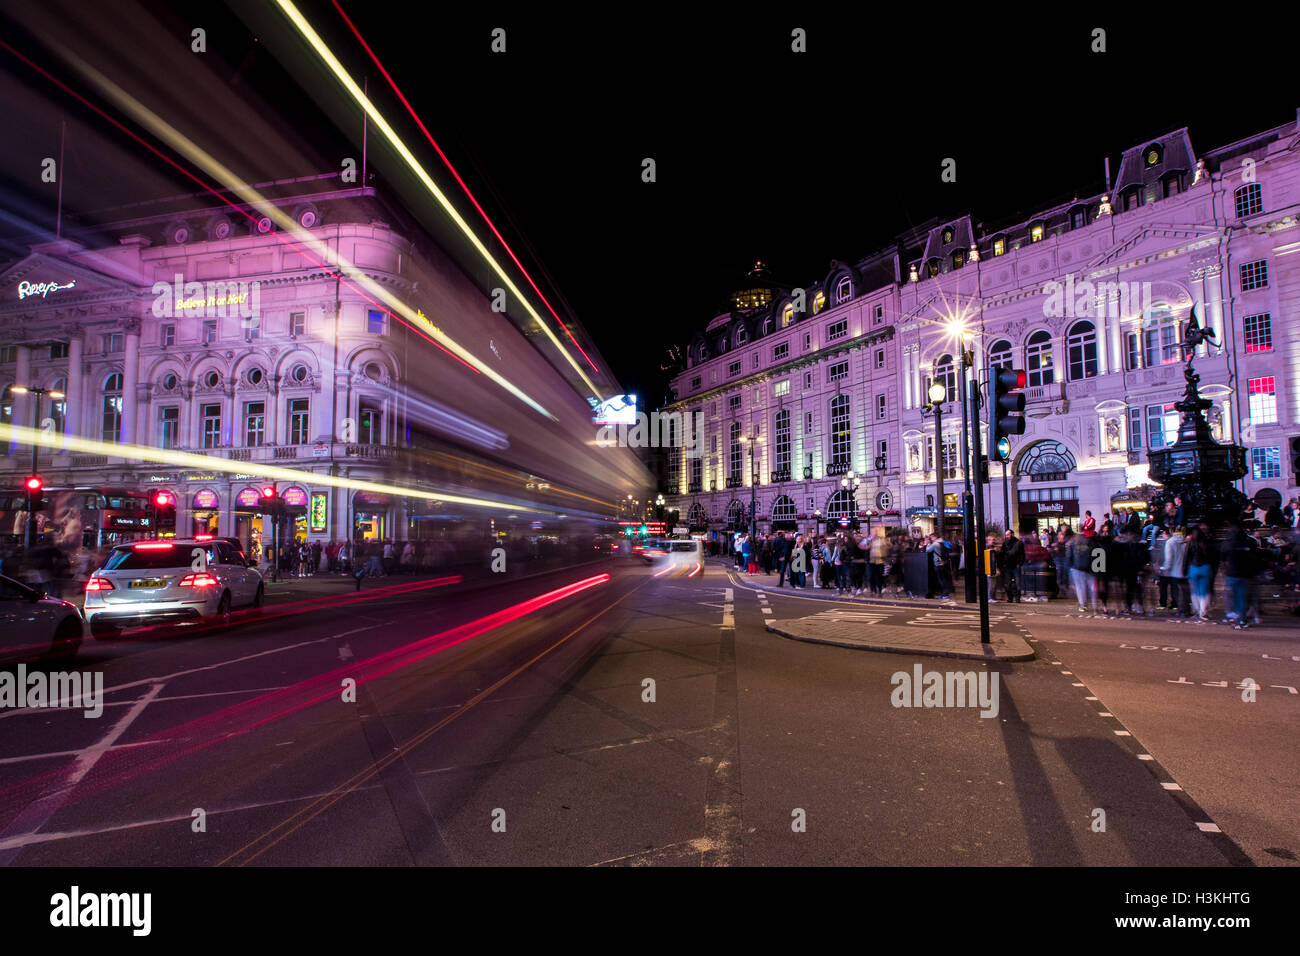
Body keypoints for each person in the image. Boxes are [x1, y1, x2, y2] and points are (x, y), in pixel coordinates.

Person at [1185, 527, 1215, 621]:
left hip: (1194, 568)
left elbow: (1187, 557)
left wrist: (1185, 569)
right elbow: (1212, 557)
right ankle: (1203, 612)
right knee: (1204, 592)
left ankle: (1197, 611)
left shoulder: (1191, 544)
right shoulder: (1207, 544)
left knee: (1195, 592)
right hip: (1205, 568)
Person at [1162, 526, 1189, 616]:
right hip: (1186, 571)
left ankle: (1181, 611)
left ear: (1171, 531)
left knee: (1177, 592)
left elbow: (1169, 559)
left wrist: (1165, 568)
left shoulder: (1170, 542)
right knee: (1185, 592)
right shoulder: (1186, 542)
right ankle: (1186, 610)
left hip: (1175, 572)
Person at [1001, 529, 1025, 602]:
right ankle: (1010, 598)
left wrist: (1020, 563)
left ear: (1012, 534)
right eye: (1006, 535)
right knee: (1008, 584)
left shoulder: (1018, 543)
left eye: (1008, 534)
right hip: (1008, 566)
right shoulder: (1005, 543)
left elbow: (1022, 555)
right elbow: (1003, 554)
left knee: (1017, 583)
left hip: (1015, 565)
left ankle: (1017, 598)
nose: (1007, 536)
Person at [868, 527, 889, 596]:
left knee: (879, 577)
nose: (875, 533)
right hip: (871, 561)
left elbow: (888, 547)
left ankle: (879, 590)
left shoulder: (882, 540)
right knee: (871, 577)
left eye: (876, 532)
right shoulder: (869, 540)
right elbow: (862, 545)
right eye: (873, 532)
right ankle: (872, 590)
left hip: (880, 561)